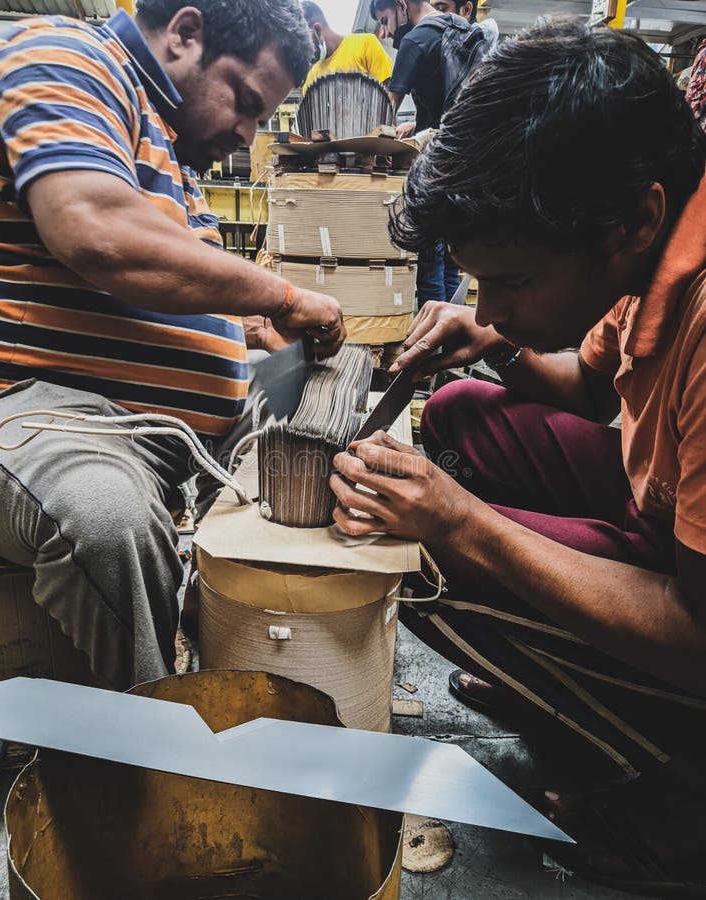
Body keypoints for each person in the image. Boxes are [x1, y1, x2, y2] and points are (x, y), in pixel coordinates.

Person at [330, 18, 706, 893]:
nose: (489, 307)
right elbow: (587, 384)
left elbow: (700, 634)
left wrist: (467, 525)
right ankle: (560, 670)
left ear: (632, 220)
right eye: (475, 283)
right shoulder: (648, 242)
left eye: (513, 281)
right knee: (464, 409)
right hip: (673, 526)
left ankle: (682, 806)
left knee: (426, 554)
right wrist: (491, 344)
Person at [0, 0, 345, 692]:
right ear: (185, 35)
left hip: (155, 431)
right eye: (246, 102)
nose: (247, 136)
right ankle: (150, 744)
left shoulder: (166, 147)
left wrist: (253, 332)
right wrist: (283, 298)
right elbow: (97, 233)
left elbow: (169, 291)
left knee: (334, 462)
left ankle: (261, 668)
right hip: (19, 410)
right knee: (104, 515)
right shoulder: (66, 56)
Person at [372, 0, 474, 303]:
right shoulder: (458, 29)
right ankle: (450, 336)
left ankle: (432, 346)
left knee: (428, 264)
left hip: (436, 167)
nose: (386, 32)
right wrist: (416, 125)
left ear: (401, 5)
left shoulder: (415, 40)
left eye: (386, 20)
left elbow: (385, 111)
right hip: (465, 163)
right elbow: (451, 100)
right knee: (448, 262)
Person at [301, 2, 392, 92]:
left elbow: (389, 96)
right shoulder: (310, 82)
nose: (303, 55)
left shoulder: (366, 44)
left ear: (317, 30)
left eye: (303, 45)